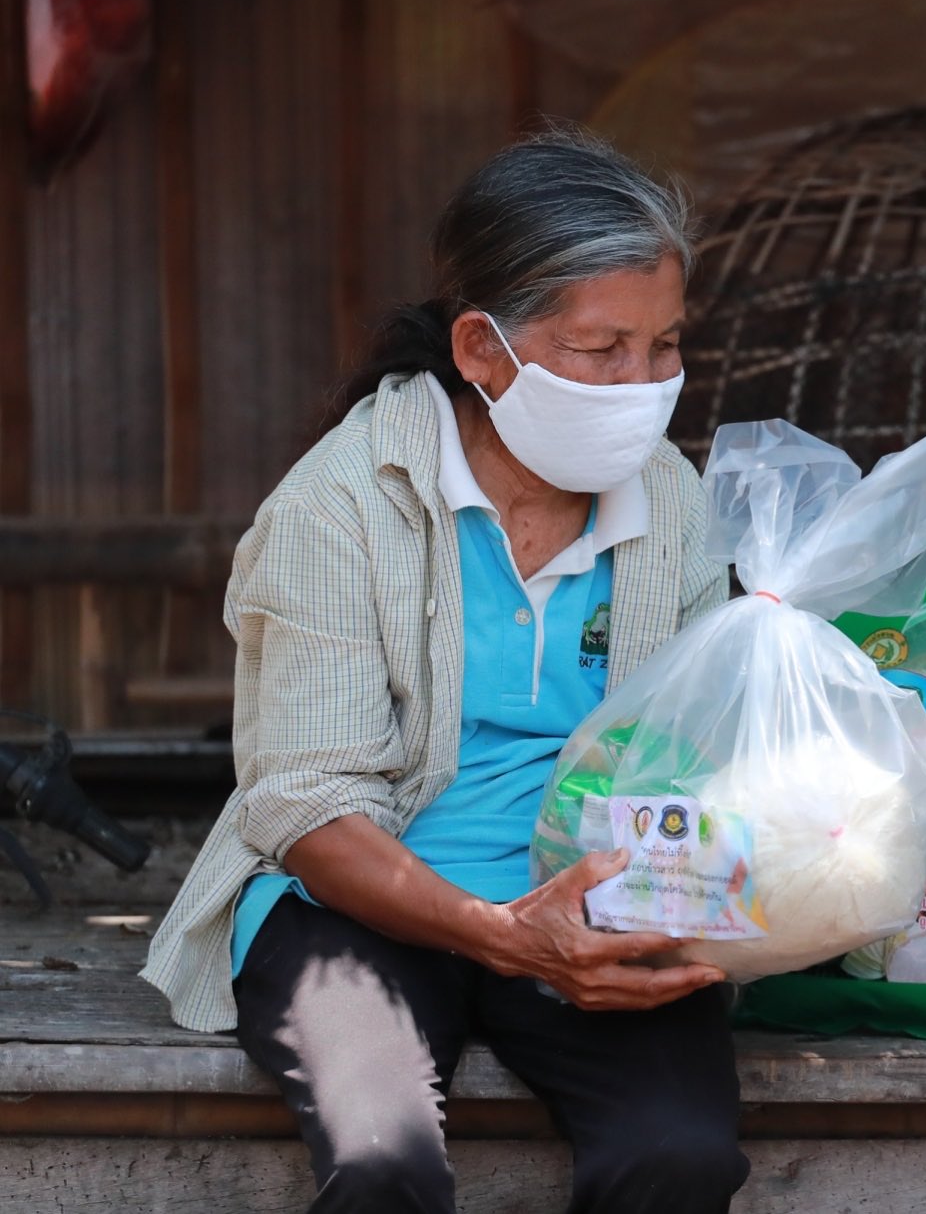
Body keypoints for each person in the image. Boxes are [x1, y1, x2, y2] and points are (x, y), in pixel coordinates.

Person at [141, 129, 749, 1214]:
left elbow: (695, 750)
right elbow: (307, 802)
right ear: (480, 349)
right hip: (353, 902)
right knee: (382, 1165)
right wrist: (507, 936)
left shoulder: (671, 500)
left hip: (588, 899)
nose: (644, 384)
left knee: (678, 1156)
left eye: (662, 346)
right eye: (601, 348)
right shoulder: (339, 506)